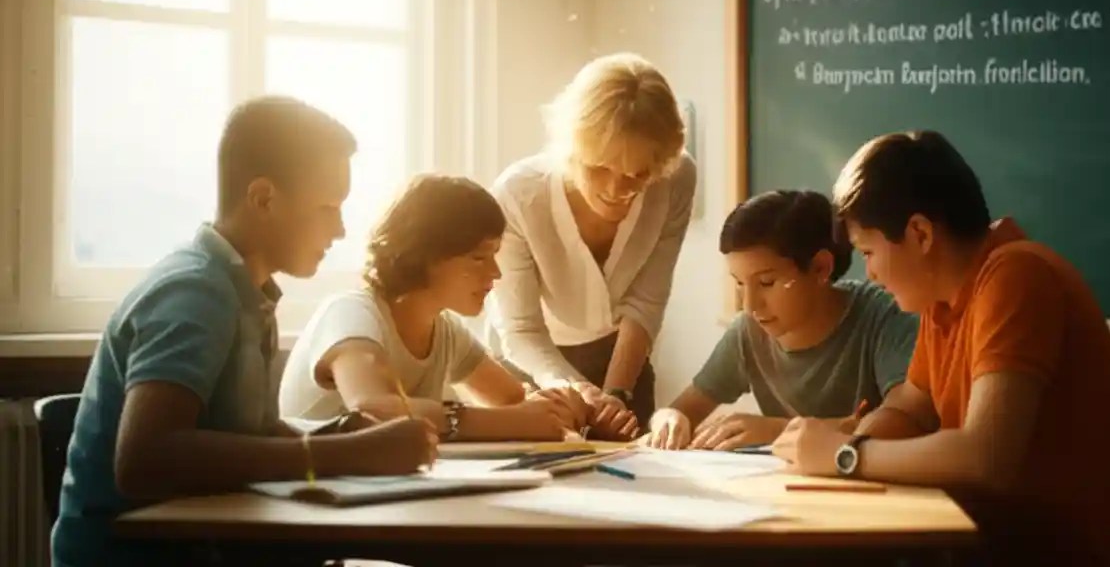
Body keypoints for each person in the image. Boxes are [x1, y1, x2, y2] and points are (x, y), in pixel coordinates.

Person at [52, 97, 436, 567]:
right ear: (263, 199)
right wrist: (348, 454)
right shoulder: (195, 292)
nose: (339, 230)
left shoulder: (244, 290)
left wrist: (336, 436)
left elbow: (238, 434)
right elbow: (144, 460)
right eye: (328, 208)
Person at [772, 130, 1110, 567]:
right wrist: (845, 438)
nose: (869, 273)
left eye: (868, 251)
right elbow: (911, 409)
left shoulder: (1016, 276)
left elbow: (985, 456)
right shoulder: (944, 298)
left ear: (920, 234)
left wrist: (845, 456)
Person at [279, 174, 593, 441]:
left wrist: (554, 406)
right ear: (425, 255)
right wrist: (513, 421)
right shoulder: (350, 312)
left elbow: (512, 399)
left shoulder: (443, 331)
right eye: (479, 257)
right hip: (310, 499)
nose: (496, 273)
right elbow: (374, 408)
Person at [486, 52, 696, 430]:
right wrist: (582, 392)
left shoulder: (676, 178)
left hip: (622, 358)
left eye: (638, 174)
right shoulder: (519, 194)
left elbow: (647, 299)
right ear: (570, 148)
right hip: (530, 365)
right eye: (598, 168)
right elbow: (522, 330)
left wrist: (615, 394)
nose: (617, 189)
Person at [643, 190, 916, 451]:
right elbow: (681, 409)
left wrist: (779, 430)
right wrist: (668, 419)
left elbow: (906, 423)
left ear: (821, 268)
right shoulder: (749, 332)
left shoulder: (885, 316)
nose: (749, 305)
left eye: (766, 282)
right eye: (739, 283)